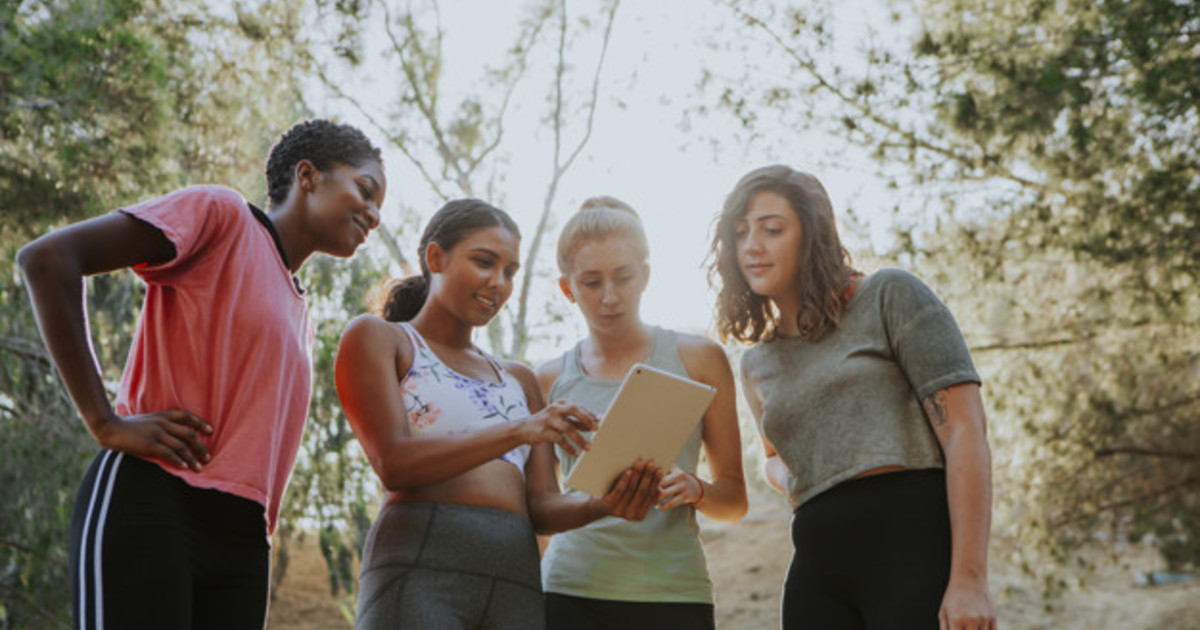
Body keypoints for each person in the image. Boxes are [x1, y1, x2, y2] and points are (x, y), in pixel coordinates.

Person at [16, 119, 387, 630]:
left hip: (242, 541)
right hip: (155, 499)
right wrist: (104, 421)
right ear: (308, 176)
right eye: (365, 191)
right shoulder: (224, 216)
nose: (373, 215)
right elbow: (48, 259)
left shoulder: (300, 307)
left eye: (379, 206)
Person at [334, 198, 662, 630]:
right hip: (420, 562)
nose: (498, 283)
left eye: (510, 272)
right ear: (436, 257)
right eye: (484, 262)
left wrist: (605, 503)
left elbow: (542, 507)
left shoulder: (517, 379)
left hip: (515, 576)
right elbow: (394, 463)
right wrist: (520, 430)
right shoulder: (383, 339)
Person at [708, 165, 997, 630]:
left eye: (772, 229)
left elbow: (965, 430)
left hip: (909, 545)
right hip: (818, 564)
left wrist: (970, 579)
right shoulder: (756, 362)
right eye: (739, 233)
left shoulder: (889, 296)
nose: (752, 246)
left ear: (813, 233)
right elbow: (774, 457)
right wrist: (799, 473)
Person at [532, 196, 748, 630]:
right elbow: (540, 511)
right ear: (567, 289)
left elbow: (735, 501)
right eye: (591, 283)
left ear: (646, 275)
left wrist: (695, 489)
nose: (610, 297)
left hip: (673, 592)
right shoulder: (546, 380)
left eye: (624, 277)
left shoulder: (700, 359)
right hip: (569, 592)